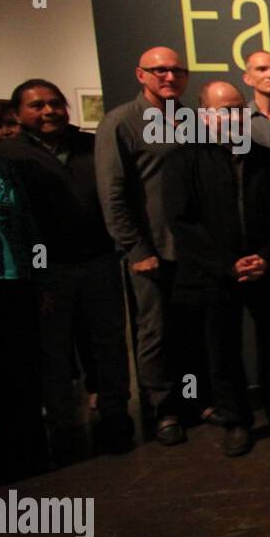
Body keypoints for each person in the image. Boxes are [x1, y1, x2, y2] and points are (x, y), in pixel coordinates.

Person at [165, 82, 270, 456]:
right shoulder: (182, 161)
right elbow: (181, 222)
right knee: (223, 349)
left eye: (238, 109)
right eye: (222, 109)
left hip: (266, 269)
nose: (231, 116)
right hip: (214, 275)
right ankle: (236, 421)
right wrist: (226, 264)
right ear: (203, 114)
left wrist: (265, 257)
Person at [0, 79, 133, 461]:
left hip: (99, 261)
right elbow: (18, 224)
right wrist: (40, 276)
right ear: (19, 113)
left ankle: (115, 413)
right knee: (54, 350)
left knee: (108, 343)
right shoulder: (8, 156)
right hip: (49, 269)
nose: (49, 110)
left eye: (55, 103)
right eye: (37, 105)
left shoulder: (91, 145)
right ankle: (63, 426)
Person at [95, 46, 194, 445]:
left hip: (191, 249)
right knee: (154, 331)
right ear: (141, 75)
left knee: (189, 329)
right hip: (150, 252)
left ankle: (193, 401)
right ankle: (163, 410)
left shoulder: (191, 120)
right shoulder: (120, 122)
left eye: (176, 71)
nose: (169, 77)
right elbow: (112, 195)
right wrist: (135, 251)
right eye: (159, 71)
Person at [0, 152, 49, 482]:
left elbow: (29, 227)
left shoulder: (4, 167)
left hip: (15, 283)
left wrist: (41, 279)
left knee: (21, 372)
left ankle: (27, 455)